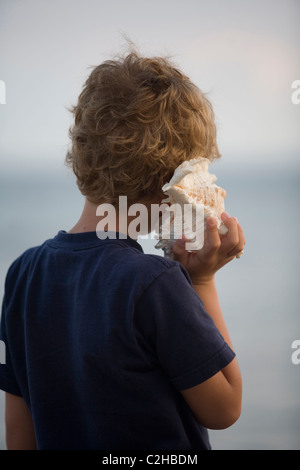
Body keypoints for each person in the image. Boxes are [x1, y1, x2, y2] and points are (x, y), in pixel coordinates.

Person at [0, 50, 245, 450]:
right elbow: (226, 408)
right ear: (174, 183)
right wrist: (202, 280)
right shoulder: (154, 283)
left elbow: (18, 436)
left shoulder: (24, 273)